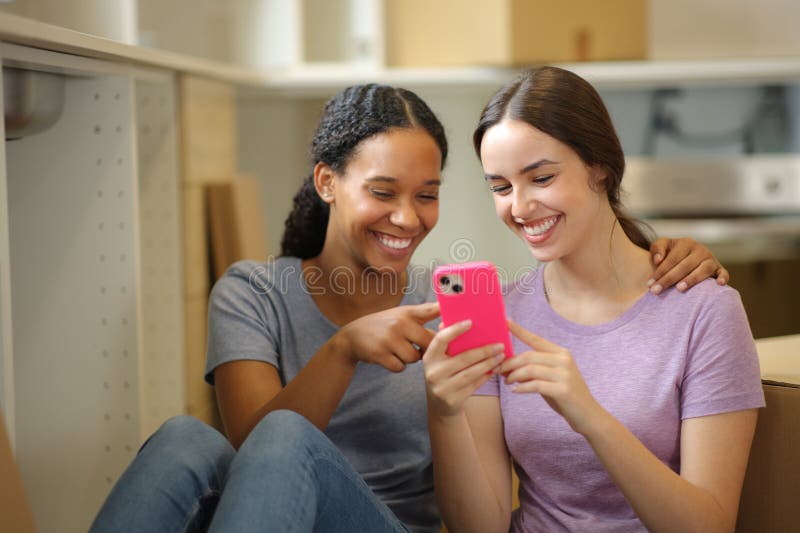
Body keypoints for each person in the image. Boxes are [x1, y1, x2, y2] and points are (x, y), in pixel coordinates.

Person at [90, 83, 728, 533]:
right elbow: (246, 450)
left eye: (427, 194)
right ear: (327, 182)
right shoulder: (256, 291)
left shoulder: (454, 304)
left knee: (279, 437)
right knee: (182, 440)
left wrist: (676, 255)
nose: (406, 217)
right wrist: (343, 349)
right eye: (382, 192)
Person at [422, 66, 765, 533]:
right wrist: (443, 415)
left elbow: (710, 526)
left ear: (599, 168)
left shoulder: (704, 310)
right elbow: (480, 528)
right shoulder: (497, 316)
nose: (519, 208)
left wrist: (590, 417)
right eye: (501, 188)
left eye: (540, 178)